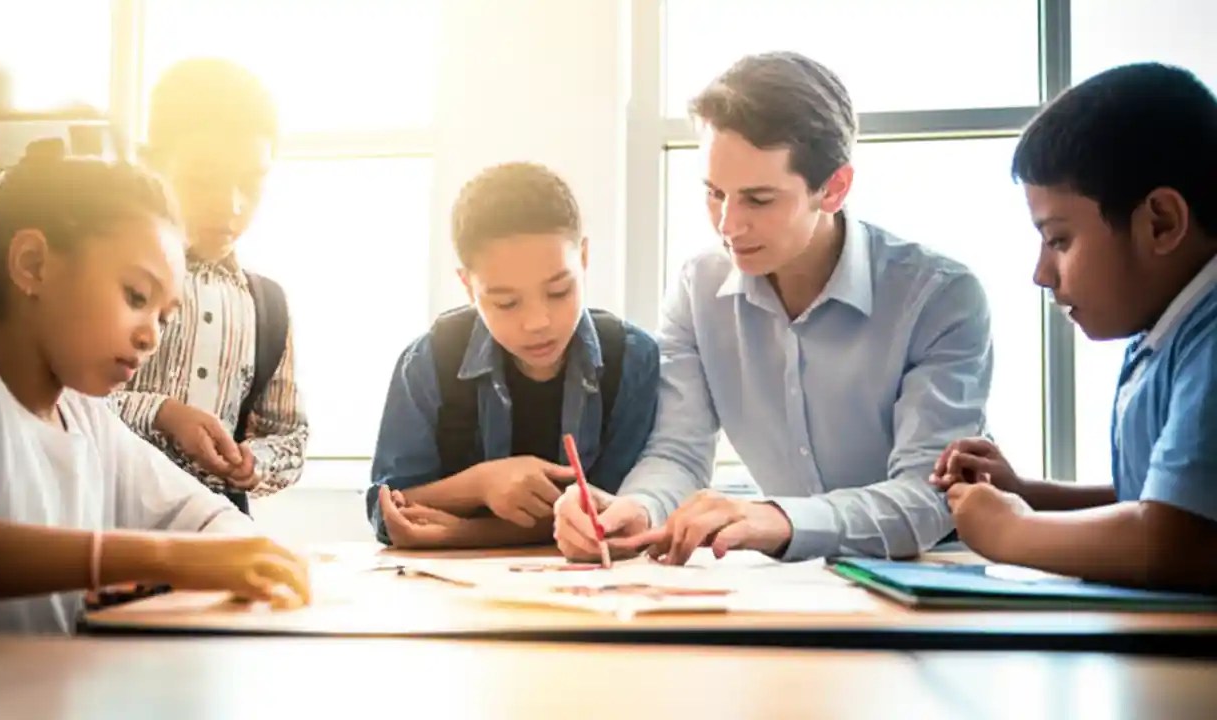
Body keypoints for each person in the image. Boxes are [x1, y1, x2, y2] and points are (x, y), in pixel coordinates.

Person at [556, 51, 992, 565]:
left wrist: (780, 519)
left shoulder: (940, 297)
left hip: (936, 575)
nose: (728, 226)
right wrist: (639, 509)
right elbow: (677, 450)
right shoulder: (699, 291)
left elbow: (927, 496)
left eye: (758, 200)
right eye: (715, 193)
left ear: (834, 188)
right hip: (796, 583)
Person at [0, 153, 310, 634]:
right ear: (33, 265)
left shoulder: (86, 419)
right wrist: (158, 557)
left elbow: (205, 518)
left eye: (164, 317)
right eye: (136, 296)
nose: (151, 337)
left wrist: (250, 557)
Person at [930, 63, 1217, 592]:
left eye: (1059, 240)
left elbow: (1175, 540)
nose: (1042, 274)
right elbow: (1161, 504)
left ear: (1161, 222)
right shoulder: (1168, 335)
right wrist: (1031, 494)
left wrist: (1012, 530)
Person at [370, 162, 660, 548]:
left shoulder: (630, 360)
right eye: (506, 303)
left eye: (559, 292)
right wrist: (481, 483)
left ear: (584, 258)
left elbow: (612, 516)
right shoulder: (429, 361)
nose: (537, 322)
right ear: (468, 286)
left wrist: (465, 532)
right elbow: (387, 510)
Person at [110, 58, 308, 514]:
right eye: (203, 180)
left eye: (251, 182)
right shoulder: (106, 280)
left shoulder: (268, 306)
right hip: (106, 531)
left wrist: (252, 463)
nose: (231, 204)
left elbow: (291, 437)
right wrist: (160, 414)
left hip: (218, 535)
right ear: (152, 165)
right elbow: (58, 407)